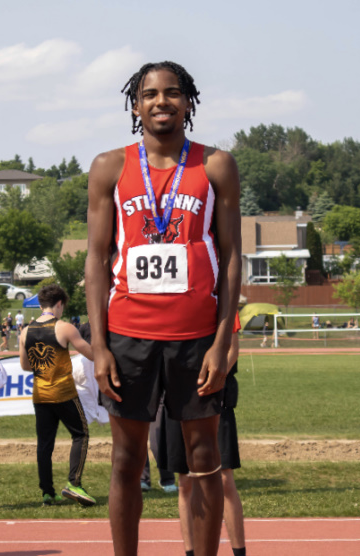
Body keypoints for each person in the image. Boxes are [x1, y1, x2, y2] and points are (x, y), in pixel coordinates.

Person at [85, 61, 241, 556]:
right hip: (128, 334)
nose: (161, 101)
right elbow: (95, 258)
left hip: (196, 337)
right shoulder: (110, 166)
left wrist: (223, 341)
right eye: (150, 94)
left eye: (173, 93)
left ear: (188, 103)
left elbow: (234, 257)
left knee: (203, 459)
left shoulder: (215, 165)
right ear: (135, 105)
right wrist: (99, 346)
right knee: (127, 461)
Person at [163, 316, 246, 556]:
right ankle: (191, 552)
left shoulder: (222, 300)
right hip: (178, 399)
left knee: (223, 479)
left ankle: (239, 552)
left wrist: (211, 382)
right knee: (185, 482)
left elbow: (232, 350)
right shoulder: (171, 299)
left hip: (214, 398)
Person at [19, 284, 96, 506]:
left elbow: (25, 365)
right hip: (64, 393)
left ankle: (47, 492)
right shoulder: (64, 327)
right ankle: (74, 483)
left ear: (41, 304)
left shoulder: (25, 331)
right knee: (80, 434)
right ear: (59, 304)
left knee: (44, 444)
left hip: (40, 395)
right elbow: (91, 355)